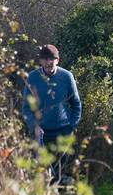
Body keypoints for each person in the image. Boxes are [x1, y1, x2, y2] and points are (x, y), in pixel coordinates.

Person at [21, 44, 82, 187]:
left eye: (52, 59)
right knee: (41, 169)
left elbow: (76, 104)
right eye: (46, 59)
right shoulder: (32, 78)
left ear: (58, 60)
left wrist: (72, 125)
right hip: (41, 133)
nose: (49, 62)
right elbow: (26, 109)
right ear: (41, 61)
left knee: (58, 171)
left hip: (62, 131)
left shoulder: (67, 77)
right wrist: (34, 127)